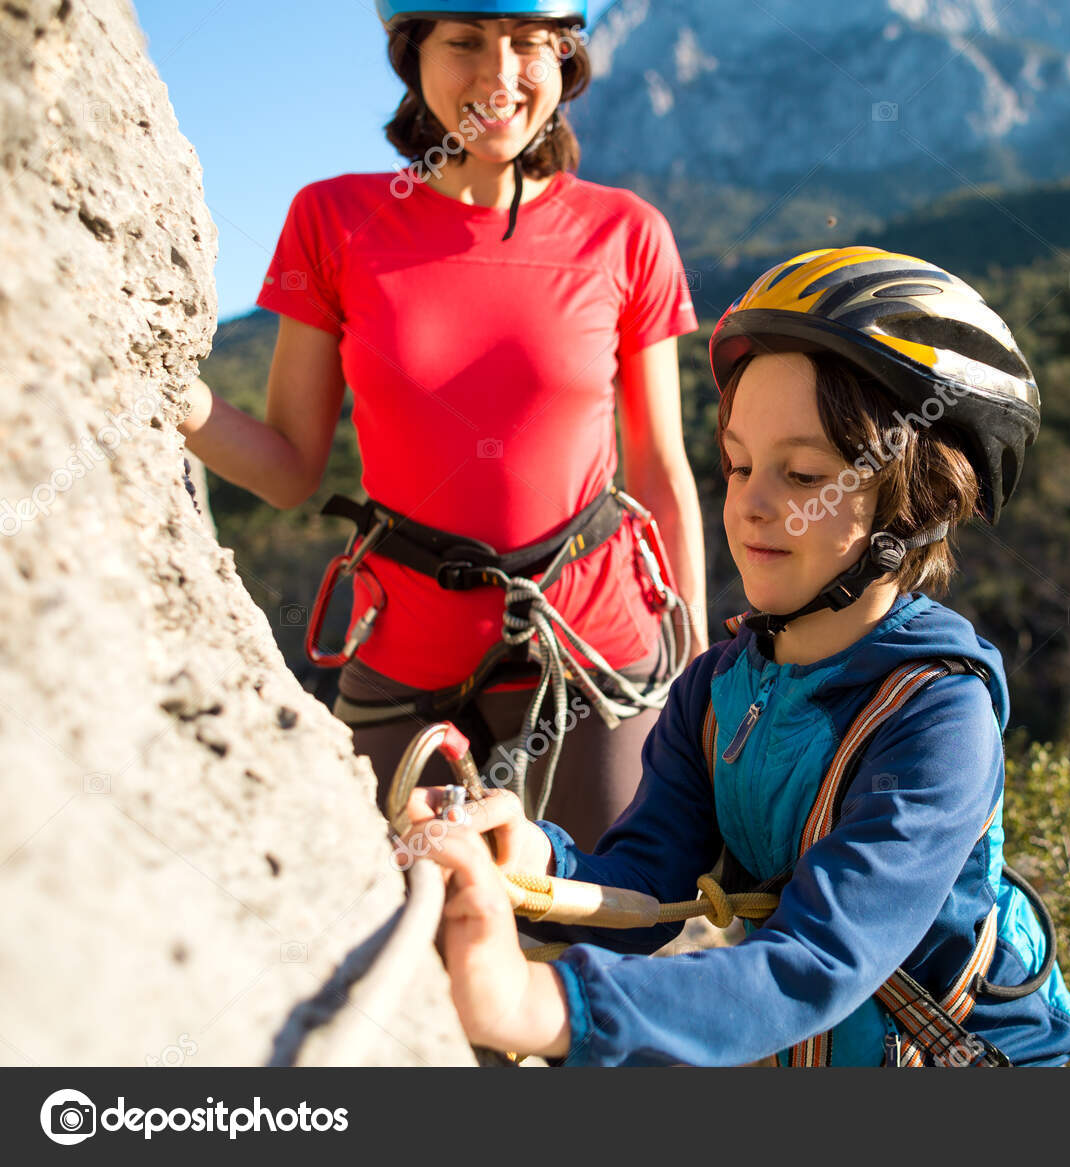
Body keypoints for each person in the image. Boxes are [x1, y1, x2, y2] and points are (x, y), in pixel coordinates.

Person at [396, 246, 1070, 1067]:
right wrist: (535, 855)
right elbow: (650, 874)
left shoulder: (939, 717)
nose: (752, 504)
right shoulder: (718, 686)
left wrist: (543, 1004)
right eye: (739, 464)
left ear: (920, 502)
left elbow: (818, 960)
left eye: (802, 474)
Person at [178, 2, 708, 849]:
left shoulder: (626, 233)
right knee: (392, 924)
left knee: (604, 930)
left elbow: (659, 476)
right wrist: (167, 392)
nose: (500, 75)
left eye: (530, 44)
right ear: (412, 56)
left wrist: (701, 687)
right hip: (405, 649)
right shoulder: (336, 220)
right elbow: (288, 468)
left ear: (564, 59)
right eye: (465, 43)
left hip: (596, 652)